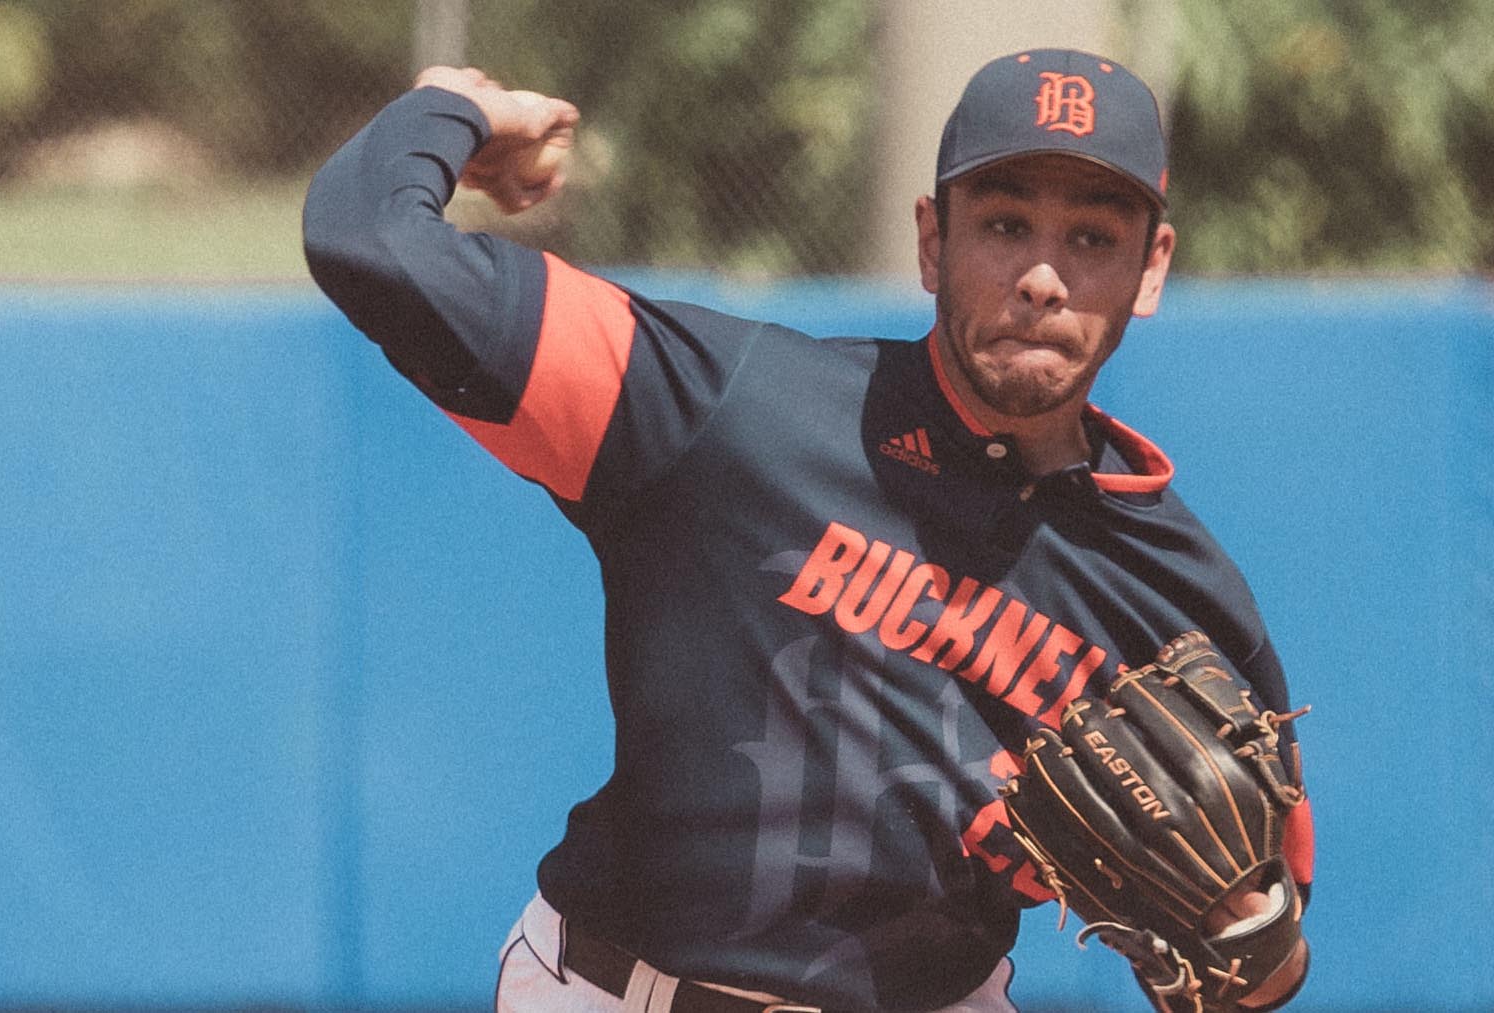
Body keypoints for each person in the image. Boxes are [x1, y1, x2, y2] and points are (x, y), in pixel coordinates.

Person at [304, 47, 1312, 1013]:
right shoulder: (730, 409)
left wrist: (1247, 940)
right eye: (1003, 224)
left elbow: (1256, 953)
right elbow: (371, 239)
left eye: (1091, 237)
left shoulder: (1176, 594)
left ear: (1151, 264)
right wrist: (460, 108)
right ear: (932, 240)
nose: (1043, 275)